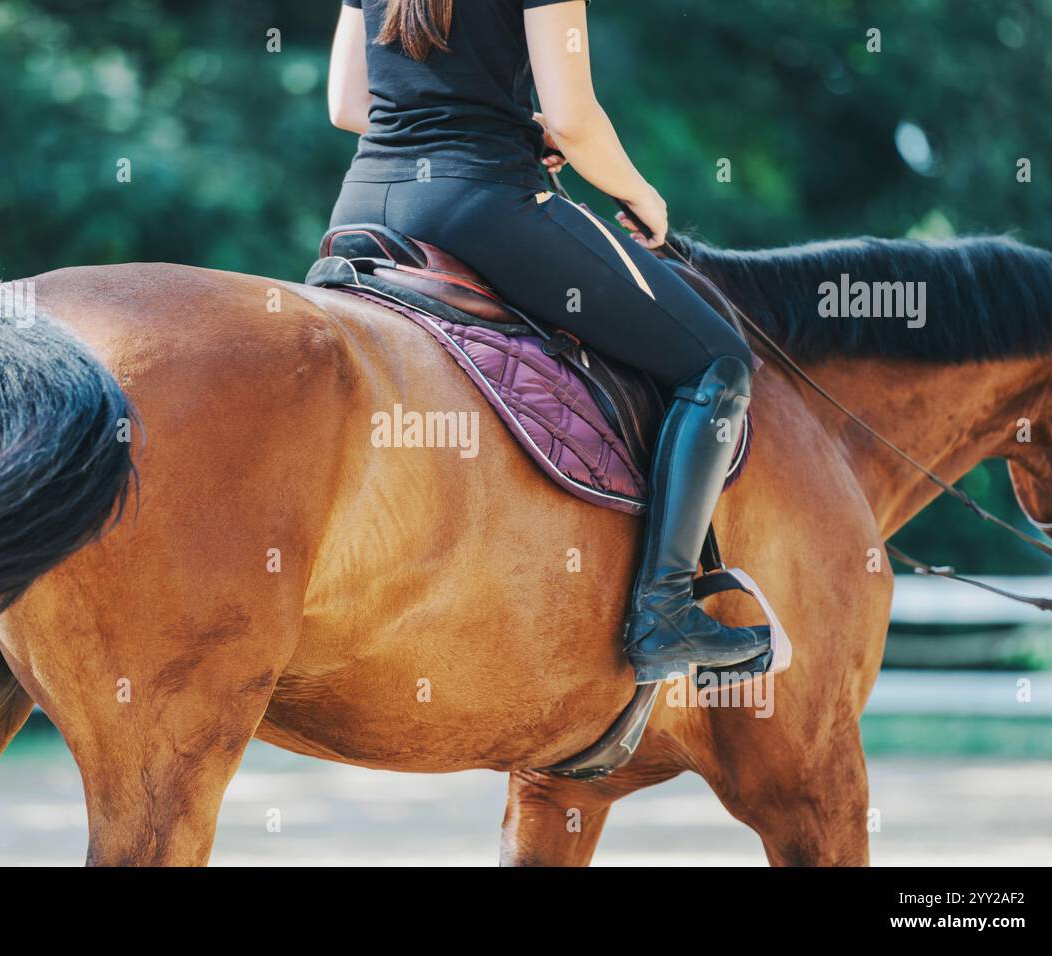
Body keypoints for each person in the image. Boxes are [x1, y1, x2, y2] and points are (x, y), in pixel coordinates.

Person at [327, 0, 768, 682]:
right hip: (481, 202)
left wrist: (510, 121)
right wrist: (641, 193)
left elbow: (348, 104)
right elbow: (573, 119)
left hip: (364, 202)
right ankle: (665, 611)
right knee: (719, 361)